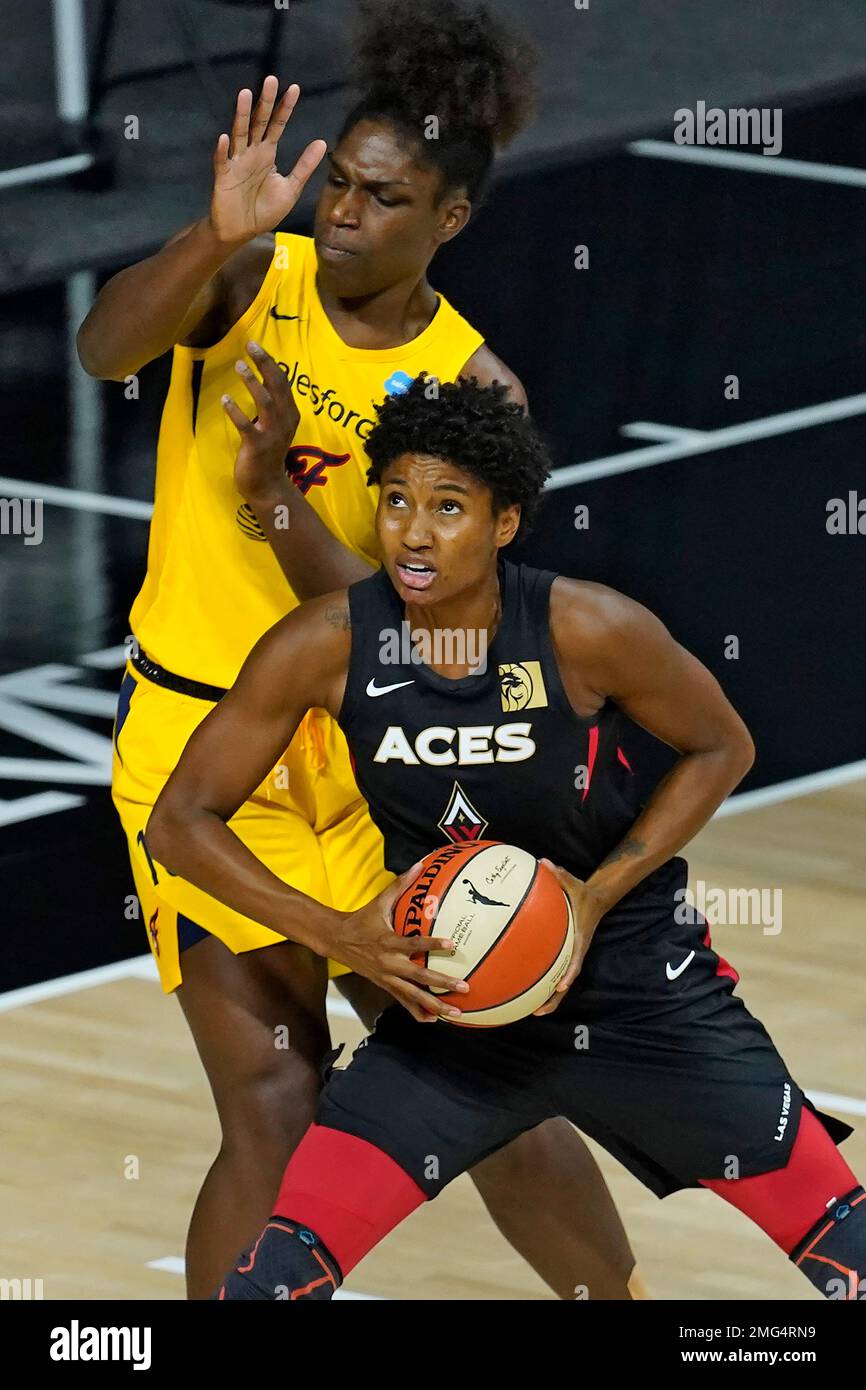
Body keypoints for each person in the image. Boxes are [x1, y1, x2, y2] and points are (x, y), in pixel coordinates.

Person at [77, 0, 644, 1300]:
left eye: (381, 197)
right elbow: (105, 344)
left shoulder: (470, 396)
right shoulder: (246, 280)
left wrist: (278, 498)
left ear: (448, 219)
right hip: (204, 746)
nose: (341, 212)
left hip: (378, 758)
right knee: (280, 1093)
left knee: (491, 1078)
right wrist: (208, 236)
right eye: (336, 181)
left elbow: (413, 632)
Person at [147, 374, 864, 1302]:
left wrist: (595, 896)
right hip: (453, 1023)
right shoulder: (324, 643)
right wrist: (335, 931)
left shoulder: (585, 627)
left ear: (505, 523)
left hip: (638, 996)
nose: (412, 530)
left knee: (846, 1251)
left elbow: (722, 744)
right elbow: (180, 820)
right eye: (397, 499)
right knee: (269, 1280)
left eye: (448, 507)